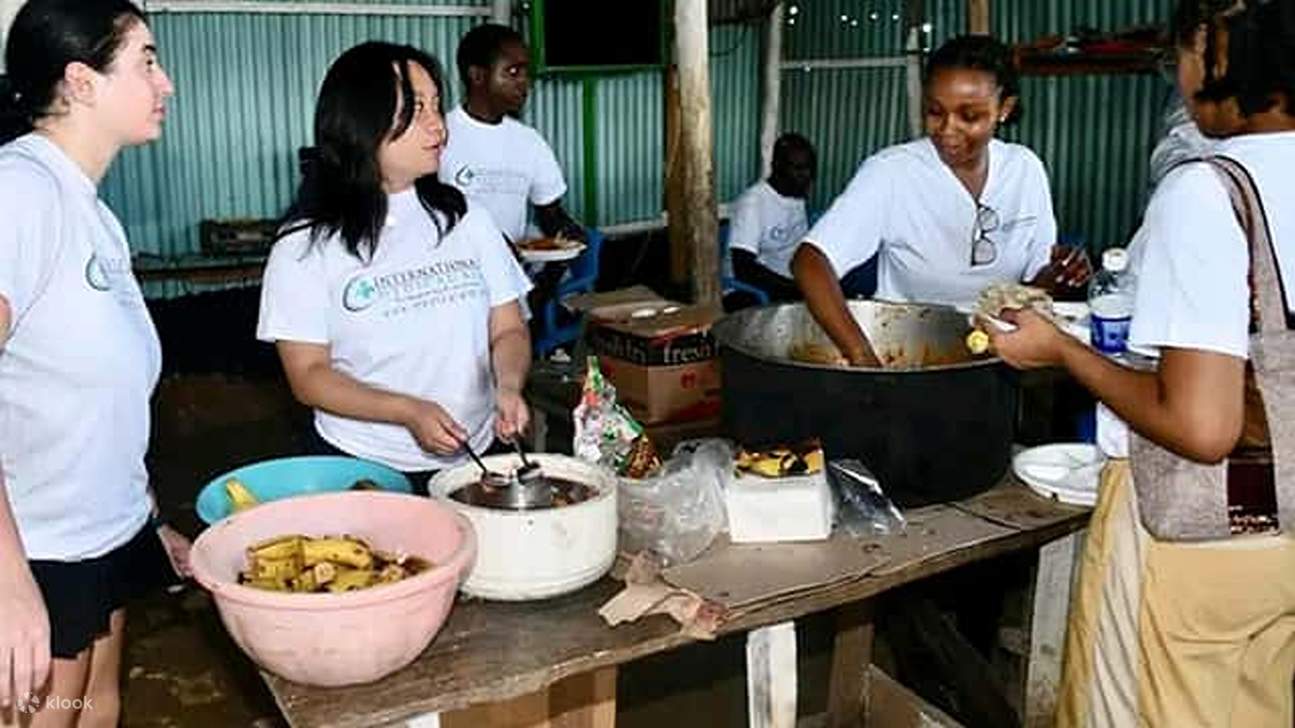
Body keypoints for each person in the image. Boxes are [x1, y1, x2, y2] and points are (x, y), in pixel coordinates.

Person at [985, 1, 1295, 725]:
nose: (1179, 79)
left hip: (1202, 533)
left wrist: (1059, 348)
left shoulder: (1207, 190)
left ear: (1216, 51)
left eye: (1180, 57)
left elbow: (1200, 425)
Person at [0, 2, 189, 725]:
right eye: (145, 60)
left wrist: (144, 521)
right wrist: (8, 581)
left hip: (97, 539)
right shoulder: (21, 191)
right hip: (37, 553)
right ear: (81, 82)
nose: (165, 81)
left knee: (95, 706)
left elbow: (94, 395)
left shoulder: (93, 214)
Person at [257, 42, 533, 494]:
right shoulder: (305, 245)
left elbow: (507, 327)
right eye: (416, 108)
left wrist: (508, 386)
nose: (438, 125)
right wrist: (406, 410)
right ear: (362, 123)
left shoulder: (466, 218)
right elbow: (309, 375)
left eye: (437, 106)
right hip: (366, 467)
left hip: (477, 457)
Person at [791, 34, 1091, 367]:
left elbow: (1036, 286)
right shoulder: (892, 173)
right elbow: (810, 262)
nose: (948, 129)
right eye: (935, 112)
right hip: (910, 356)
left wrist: (1063, 274)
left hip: (1003, 358)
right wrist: (861, 354)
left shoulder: (1025, 169)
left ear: (1003, 109)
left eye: (970, 115)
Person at [439, 23, 583, 246]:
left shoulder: (530, 141)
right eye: (513, 72)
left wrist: (570, 235)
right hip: (456, 272)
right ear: (477, 75)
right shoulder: (438, 137)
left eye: (527, 73)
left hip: (514, 272)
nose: (525, 83)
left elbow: (550, 213)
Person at [728, 133, 816, 303]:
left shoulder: (796, 194)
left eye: (809, 169)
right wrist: (796, 289)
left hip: (793, 282)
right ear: (777, 166)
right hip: (752, 289)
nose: (806, 176)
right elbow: (743, 268)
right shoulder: (753, 203)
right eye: (798, 168)